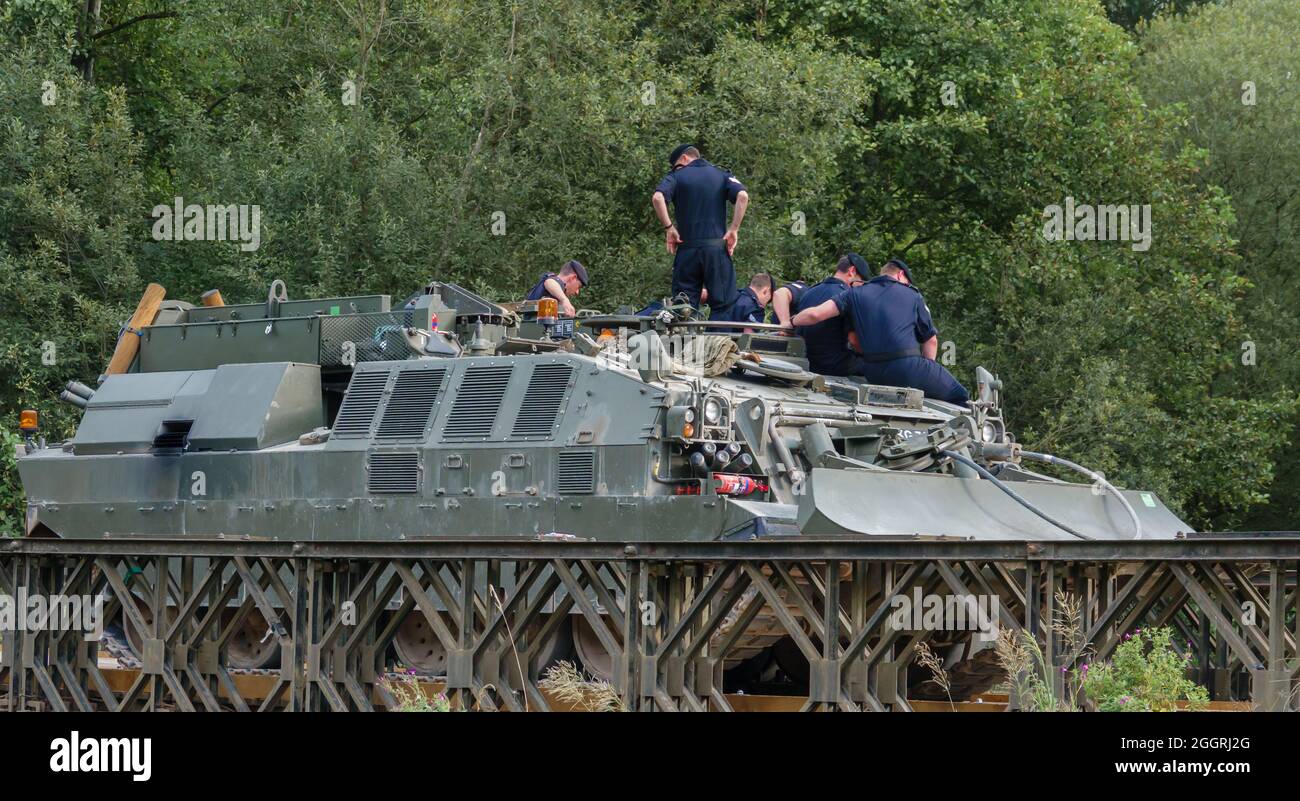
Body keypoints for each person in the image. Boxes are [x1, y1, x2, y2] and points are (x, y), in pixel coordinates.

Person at [790, 258, 970, 404]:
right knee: (960, 396)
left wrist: (792, 321)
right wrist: (927, 372)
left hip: (873, 372)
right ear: (900, 275)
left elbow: (815, 315)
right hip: (908, 367)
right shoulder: (913, 295)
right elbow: (931, 340)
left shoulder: (853, 294)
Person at [651, 145, 749, 318]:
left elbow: (658, 197)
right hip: (717, 251)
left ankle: (687, 344)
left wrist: (669, 228)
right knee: (724, 305)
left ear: (683, 159)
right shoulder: (722, 175)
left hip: (687, 251)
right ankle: (720, 343)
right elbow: (742, 196)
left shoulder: (676, 176)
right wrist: (734, 229)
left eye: (676, 166)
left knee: (683, 308)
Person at [791, 253, 868, 376]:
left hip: (806, 363)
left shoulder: (810, 292)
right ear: (852, 271)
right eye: (862, 280)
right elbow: (853, 341)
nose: (862, 285)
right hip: (835, 366)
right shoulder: (848, 297)